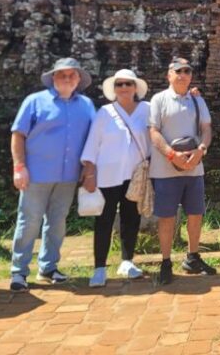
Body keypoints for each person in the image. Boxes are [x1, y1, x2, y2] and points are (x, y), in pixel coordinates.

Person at [9, 57, 96, 292]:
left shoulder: (86, 105)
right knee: (29, 222)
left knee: (57, 223)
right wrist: (19, 167)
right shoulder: (35, 101)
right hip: (36, 174)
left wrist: (89, 169)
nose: (67, 79)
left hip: (68, 176)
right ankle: (19, 271)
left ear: (78, 79)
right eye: (62, 75)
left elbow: (94, 139)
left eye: (72, 75)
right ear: (53, 78)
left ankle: (48, 267)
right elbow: (18, 135)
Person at [80, 69, 150, 288]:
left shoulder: (146, 110)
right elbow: (93, 143)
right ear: (114, 88)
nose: (124, 88)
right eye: (119, 84)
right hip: (107, 175)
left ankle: (127, 261)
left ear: (135, 88)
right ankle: (99, 267)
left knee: (131, 218)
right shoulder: (105, 112)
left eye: (128, 84)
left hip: (135, 174)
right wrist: (89, 172)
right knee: (104, 220)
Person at [149, 57, 215, 284]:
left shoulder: (197, 101)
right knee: (167, 217)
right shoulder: (159, 100)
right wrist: (170, 154)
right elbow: (154, 132)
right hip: (166, 169)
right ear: (169, 75)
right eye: (178, 71)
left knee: (196, 214)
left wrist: (202, 149)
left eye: (187, 71)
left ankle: (192, 257)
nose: (182, 74)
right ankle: (166, 261)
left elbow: (206, 129)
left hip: (194, 168)